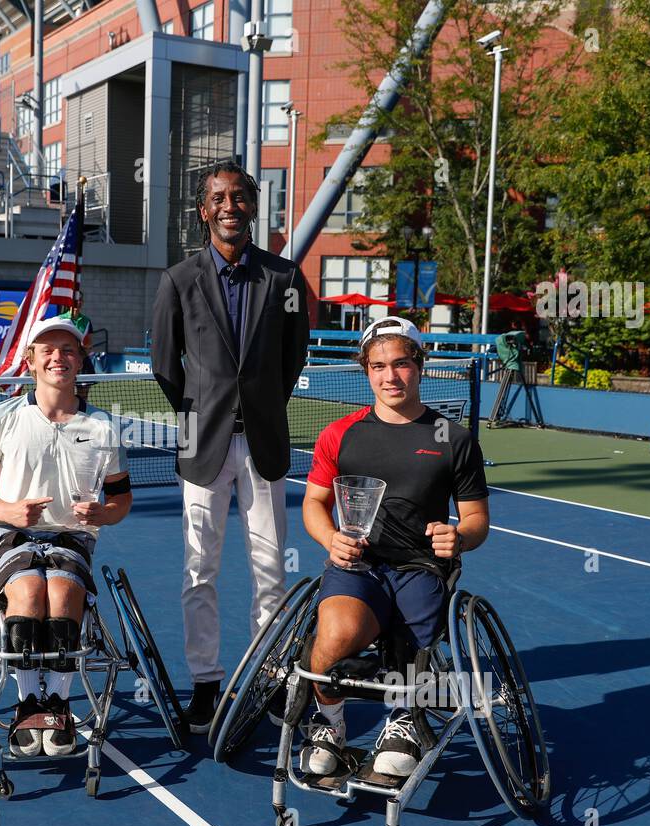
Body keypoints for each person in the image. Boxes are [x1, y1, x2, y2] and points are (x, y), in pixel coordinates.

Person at [150, 160, 309, 733]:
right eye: (219, 197)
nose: (230, 206)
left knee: (271, 571)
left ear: (253, 205)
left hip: (265, 442)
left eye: (240, 197)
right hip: (202, 443)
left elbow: (293, 359)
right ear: (203, 210)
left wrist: (259, 407)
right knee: (201, 572)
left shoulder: (287, 280)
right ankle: (206, 684)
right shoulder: (177, 280)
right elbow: (166, 368)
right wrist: (202, 417)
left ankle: (267, 679)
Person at [299, 317, 490, 778]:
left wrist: (460, 535)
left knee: (417, 640)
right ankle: (330, 722)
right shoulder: (339, 434)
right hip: (358, 567)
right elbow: (313, 504)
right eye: (379, 366)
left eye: (401, 363)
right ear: (366, 371)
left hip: (422, 567)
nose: (390, 376)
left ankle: (402, 717)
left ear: (419, 366)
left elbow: (478, 520)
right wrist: (330, 538)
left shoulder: (455, 439)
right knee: (334, 639)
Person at [0, 316, 131, 758]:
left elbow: (122, 499)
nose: (59, 357)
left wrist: (103, 513)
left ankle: (56, 703)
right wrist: (10, 511)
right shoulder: (4, 417)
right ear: (30, 360)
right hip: (12, 534)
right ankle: (27, 704)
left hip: (72, 538)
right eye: (48, 350)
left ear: (80, 359)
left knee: (63, 591)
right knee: (30, 590)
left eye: (68, 350)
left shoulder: (103, 427)